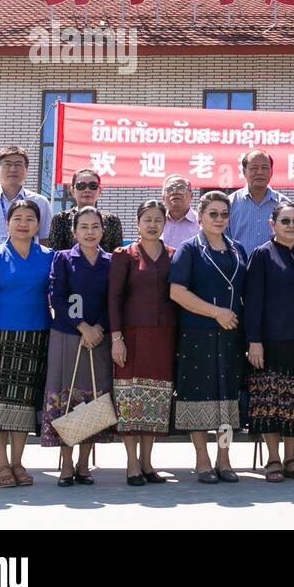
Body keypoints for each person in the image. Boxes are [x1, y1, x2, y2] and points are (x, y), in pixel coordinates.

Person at [0, 199, 55, 488]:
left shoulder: (48, 256)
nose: (23, 223)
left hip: (36, 336)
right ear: (7, 223)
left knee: (23, 403)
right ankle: (0, 464)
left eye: (30, 218)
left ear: (38, 224)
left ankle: (18, 462)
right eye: (17, 218)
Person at [169, 191, 249, 484]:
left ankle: (224, 458)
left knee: (226, 400)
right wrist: (216, 312)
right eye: (212, 214)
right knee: (198, 398)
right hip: (198, 334)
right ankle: (202, 459)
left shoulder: (237, 249)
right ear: (200, 217)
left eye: (223, 214)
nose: (218, 219)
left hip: (230, 336)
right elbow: (177, 292)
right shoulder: (189, 249)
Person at [245, 201, 294, 482]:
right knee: (270, 402)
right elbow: (253, 302)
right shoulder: (262, 255)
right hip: (269, 342)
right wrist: (254, 341)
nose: (291, 226)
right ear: (272, 224)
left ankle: (290, 458)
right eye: (285, 221)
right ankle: (273, 459)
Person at [41, 206, 114, 486]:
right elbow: (56, 297)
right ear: (74, 231)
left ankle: (84, 465)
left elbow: (113, 300)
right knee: (68, 398)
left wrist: (99, 329)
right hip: (67, 336)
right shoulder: (63, 259)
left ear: (103, 231)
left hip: (99, 338)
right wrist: (83, 326)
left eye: (95, 226)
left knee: (91, 398)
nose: (90, 232)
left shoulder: (111, 261)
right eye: (83, 227)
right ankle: (67, 465)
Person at [109, 200, 177, 486]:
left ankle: (148, 462)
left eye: (158, 220)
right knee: (130, 400)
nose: (152, 224)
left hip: (163, 336)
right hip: (132, 335)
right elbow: (113, 298)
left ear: (165, 223)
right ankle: (132, 463)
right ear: (137, 223)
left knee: (155, 399)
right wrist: (116, 339)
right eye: (147, 219)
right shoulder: (124, 255)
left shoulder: (173, 254)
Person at [226, 149, 288, 255]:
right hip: (240, 268)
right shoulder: (230, 203)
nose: (259, 172)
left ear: (271, 172)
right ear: (244, 172)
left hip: (274, 268)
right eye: (254, 168)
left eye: (264, 168)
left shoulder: (284, 204)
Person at [47, 168, 124, 252]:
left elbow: (117, 257)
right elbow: (55, 255)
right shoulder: (61, 219)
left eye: (93, 186)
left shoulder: (112, 220)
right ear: (72, 191)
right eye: (81, 186)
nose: (87, 190)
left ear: (99, 191)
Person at [161, 174, 200, 249]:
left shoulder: (202, 222)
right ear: (163, 197)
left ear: (191, 195)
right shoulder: (156, 221)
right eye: (169, 189)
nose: (175, 192)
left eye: (181, 188)